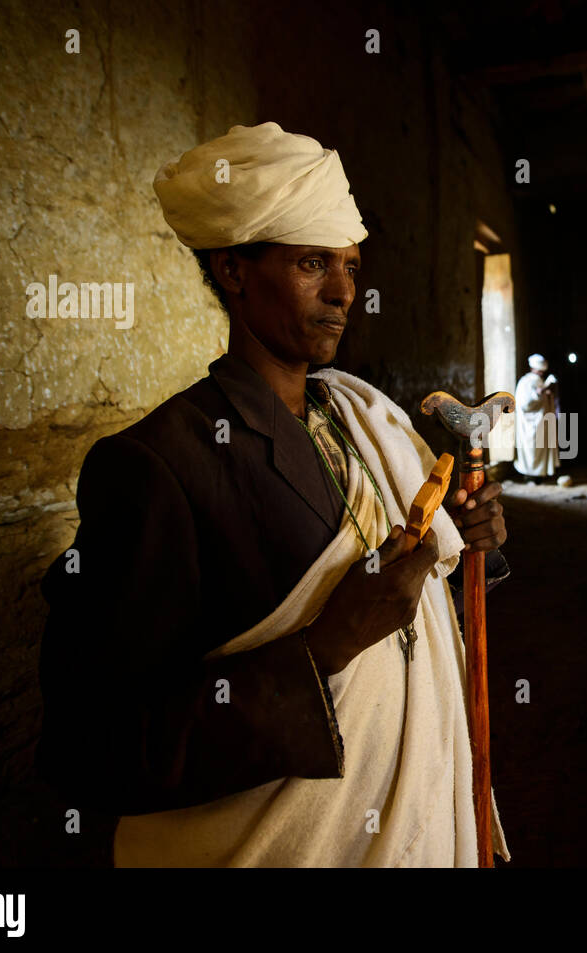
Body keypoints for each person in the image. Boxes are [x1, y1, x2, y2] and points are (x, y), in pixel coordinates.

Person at [36, 122, 510, 866]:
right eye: (313, 263)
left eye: (351, 265)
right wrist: (328, 643)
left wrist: (457, 536)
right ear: (233, 270)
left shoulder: (363, 422)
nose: (345, 291)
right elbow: (93, 745)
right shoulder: (157, 465)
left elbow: (413, 622)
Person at [513, 354, 560, 480]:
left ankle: (540, 475)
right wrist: (537, 394)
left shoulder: (540, 381)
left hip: (542, 421)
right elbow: (524, 404)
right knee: (532, 449)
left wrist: (547, 394)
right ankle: (530, 476)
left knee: (541, 446)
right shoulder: (525, 382)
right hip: (530, 423)